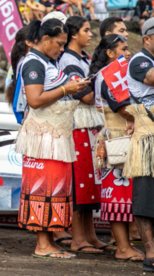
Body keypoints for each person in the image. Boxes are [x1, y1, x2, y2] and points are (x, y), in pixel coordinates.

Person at [15, 18, 90, 259]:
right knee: (44, 185)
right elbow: (34, 99)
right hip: (43, 136)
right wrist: (67, 89)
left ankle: (49, 240)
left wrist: (72, 87)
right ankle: (42, 244)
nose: (62, 49)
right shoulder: (33, 62)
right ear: (45, 40)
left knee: (56, 186)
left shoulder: (47, 61)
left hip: (56, 133)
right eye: (59, 44)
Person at [90, 34, 146, 261]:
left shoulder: (117, 73)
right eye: (123, 49)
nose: (128, 53)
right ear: (110, 53)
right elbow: (124, 109)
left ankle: (126, 244)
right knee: (118, 195)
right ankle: (122, 248)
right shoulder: (108, 75)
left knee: (129, 195)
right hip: (116, 140)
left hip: (127, 137)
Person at [57, 16, 108, 254]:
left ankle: (90, 235)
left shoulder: (84, 58)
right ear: (74, 34)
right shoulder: (68, 60)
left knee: (90, 182)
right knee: (80, 183)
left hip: (90, 123)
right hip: (78, 123)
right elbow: (86, 96)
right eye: (86, 30)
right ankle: (78, 238)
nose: (90, 34)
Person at [123, 18, 154, 271]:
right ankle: (150, 253)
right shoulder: (139, 61)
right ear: (147, 39)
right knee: (145, 196)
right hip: (148, 139)